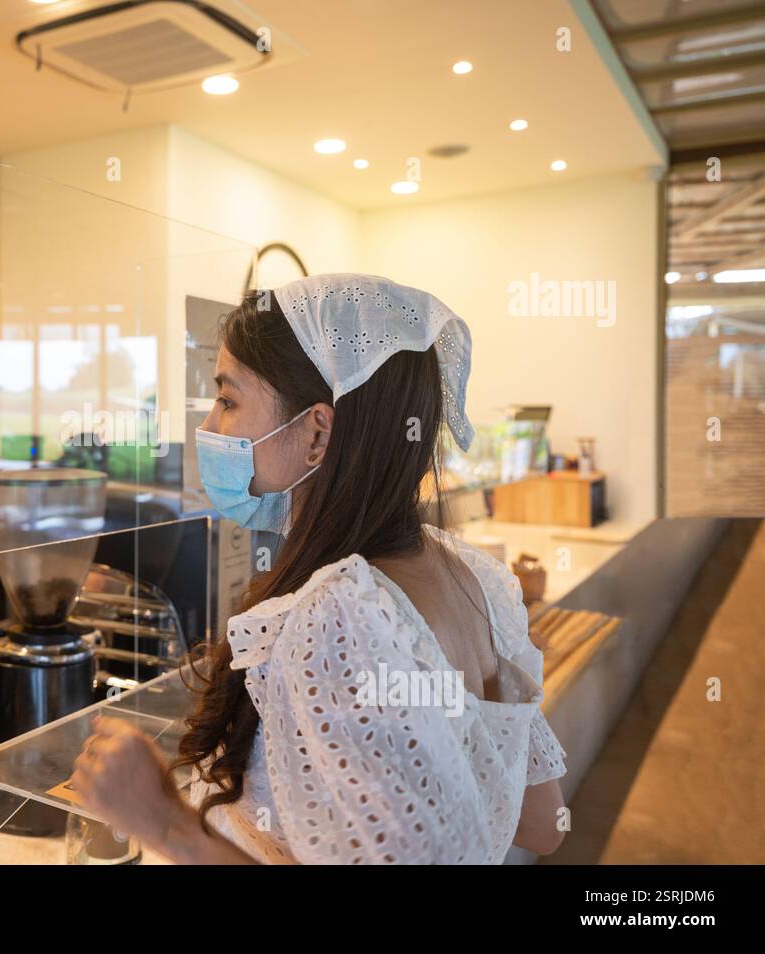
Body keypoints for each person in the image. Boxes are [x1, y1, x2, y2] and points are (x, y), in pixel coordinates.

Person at [69, 274, 568, 864]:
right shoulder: (474, 580)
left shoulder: (341, 621)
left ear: (316, 431)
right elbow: (542, 823)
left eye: (228, 400)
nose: (208, 429)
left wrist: (166, 823)